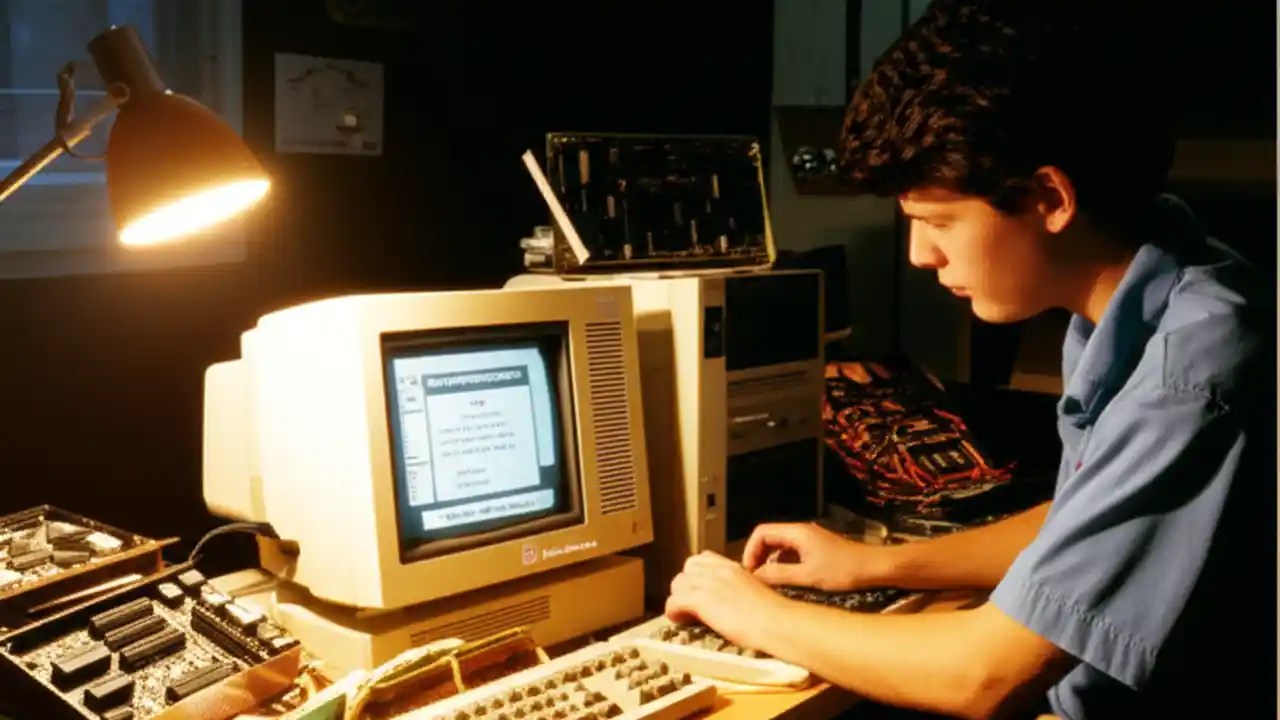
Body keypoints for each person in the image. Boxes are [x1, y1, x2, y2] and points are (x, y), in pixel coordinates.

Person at [663, 2, 1276, 718]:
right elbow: (1090, 522)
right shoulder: (1162, 289)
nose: (922, 255)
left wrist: (752, 614)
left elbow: (983, 677)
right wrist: (879, 564)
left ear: (1050, 197)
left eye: (936, 221)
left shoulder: (1191, 371)